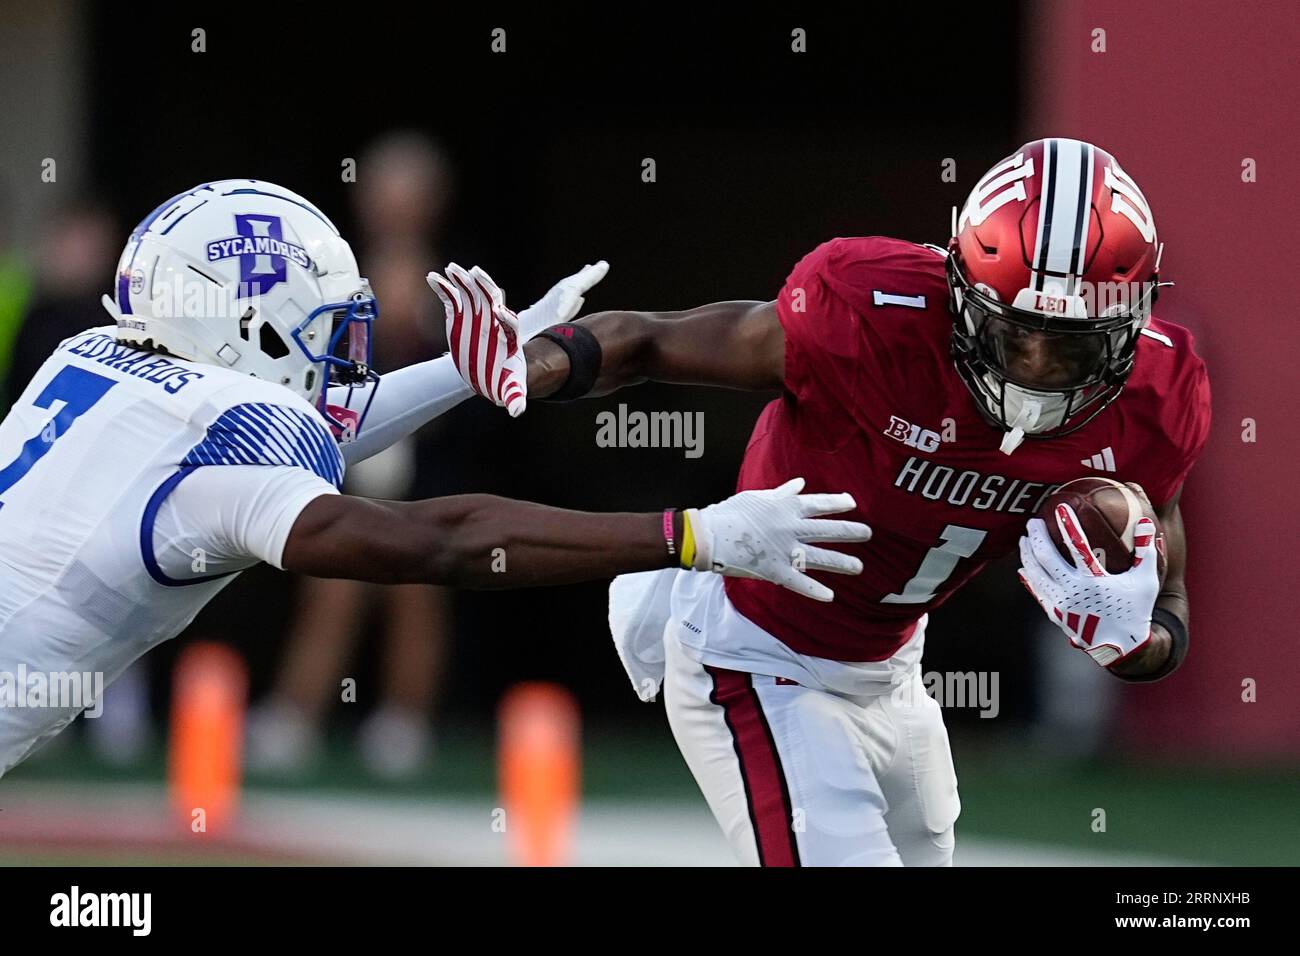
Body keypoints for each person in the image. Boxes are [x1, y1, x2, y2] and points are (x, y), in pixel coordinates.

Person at [439, 138, 1212, 866]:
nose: (1038, 371)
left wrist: (1140, 642)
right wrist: (532, 363)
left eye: (1070, 344)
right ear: (963, 294)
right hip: (757, 653)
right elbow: (651, 340)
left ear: (1129, 322)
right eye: (1015, 335)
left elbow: (1161, 561)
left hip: (894, 671)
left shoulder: (1155, 397)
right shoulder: (872, 315)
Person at [0, 179, 870, 778]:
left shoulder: (101, 355)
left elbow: (322, 425)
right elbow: (436, 541)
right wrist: (693, 535)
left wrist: (467, 366)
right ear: (251, 327)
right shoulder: (225, 450)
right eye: (322, 329)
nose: (343, 355)